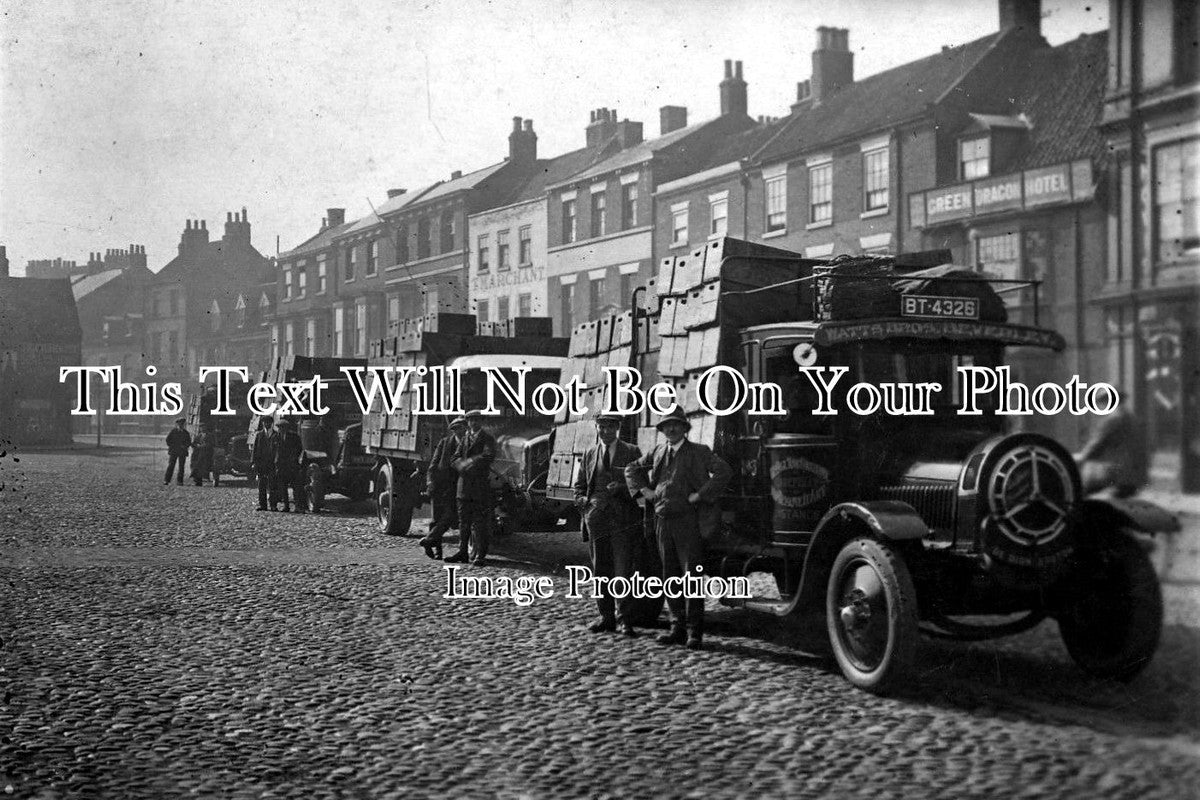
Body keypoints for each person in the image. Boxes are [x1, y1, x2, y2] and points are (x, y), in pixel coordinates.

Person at [625, 407, 732, 650]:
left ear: (685, 428)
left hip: (688, 522)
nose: (671, 429)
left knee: (690, 576)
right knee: (669, 575)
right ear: (662, 430)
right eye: (666, 425)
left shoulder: (699, 452)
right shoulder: (659, 451)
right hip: (663, 520)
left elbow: (724, 471)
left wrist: (701, 495)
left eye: (676, 424)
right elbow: (632, 469)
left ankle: (694, 631)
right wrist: (645, 492)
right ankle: (677, 628)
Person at [574, 413, 642, 637]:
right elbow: (580, 485)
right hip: (597, 520)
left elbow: (642, 484)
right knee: (600, 569)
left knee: (623, 570)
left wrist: (622, 488)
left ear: (618, 428)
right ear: (597, 428)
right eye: (601, 427)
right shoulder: (590, 453)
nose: (605, 432)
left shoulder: (632, 452)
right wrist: (584, 502)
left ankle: (624, 619)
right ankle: (606, 617)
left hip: (622, 520)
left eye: (610, 427)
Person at [447, 409, 496, 566]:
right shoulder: (465, 438)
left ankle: (480, 555)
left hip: (479, 488)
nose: (473, 423)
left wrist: (469, 462)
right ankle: (462, 552)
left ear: (481, 422)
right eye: (470, 420)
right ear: (467, 422)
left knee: (480, 522)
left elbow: (488, 455)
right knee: (464, 522)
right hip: (463, 488)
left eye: (476, 420)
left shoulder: (487, 438)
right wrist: (459, 464)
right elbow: (454, 457)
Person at [419, 416, 466, 559]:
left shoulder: (468, 444)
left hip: (455, 488)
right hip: (439, 486)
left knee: (450, 517)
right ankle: (436, 550)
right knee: (436, 519)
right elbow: (433, 466)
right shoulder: (445, 443)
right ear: (453, 430)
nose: (459, 431)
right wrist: (430, 482)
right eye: (456, 429)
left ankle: (429, 540)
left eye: (462, 428)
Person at [1076, 407, 1148, 497]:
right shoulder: (1131, 418)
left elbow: (1097, 443)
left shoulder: (1114, 418)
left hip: (1117, 472)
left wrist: (1082, 457)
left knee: (1081, 490)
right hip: (1134, 474)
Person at [274, 419, 308, 513]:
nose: (281, 429)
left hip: (292, 465)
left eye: (283, 427)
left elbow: (299, 448)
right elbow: (274, 451)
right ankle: (286, 506)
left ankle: (298, 506)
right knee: (283, 487)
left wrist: (293, 458)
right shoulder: (276, 437)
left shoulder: (294, 436)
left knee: (296, 487)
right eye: (279, 427)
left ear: (286, 428)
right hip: (281, 466)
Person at [251, 417, 278, 511]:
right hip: (261, 463)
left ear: (271, 423)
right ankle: (263, 505)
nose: (266, 424)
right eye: (264, 422)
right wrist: (253, 462)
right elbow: (255, 450)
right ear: (262, 423)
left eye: (268, 422)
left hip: (272, 464)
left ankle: (273, 505)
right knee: (261, 485)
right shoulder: (259, 435)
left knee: (272, 485)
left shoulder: (276, 434)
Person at [163, 418, 192, 485]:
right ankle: (167, 480)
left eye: (182, 424)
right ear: (177, 424)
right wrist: (172, 446)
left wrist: (185, 446)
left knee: (181, 467)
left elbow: (189, 442)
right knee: (171, 466)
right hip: (174, 451)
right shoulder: (173, 431)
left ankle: (180, 481)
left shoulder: (186, 433)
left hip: (182, 452)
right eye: (180, 424)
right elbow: (168, 440)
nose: (181, 425)